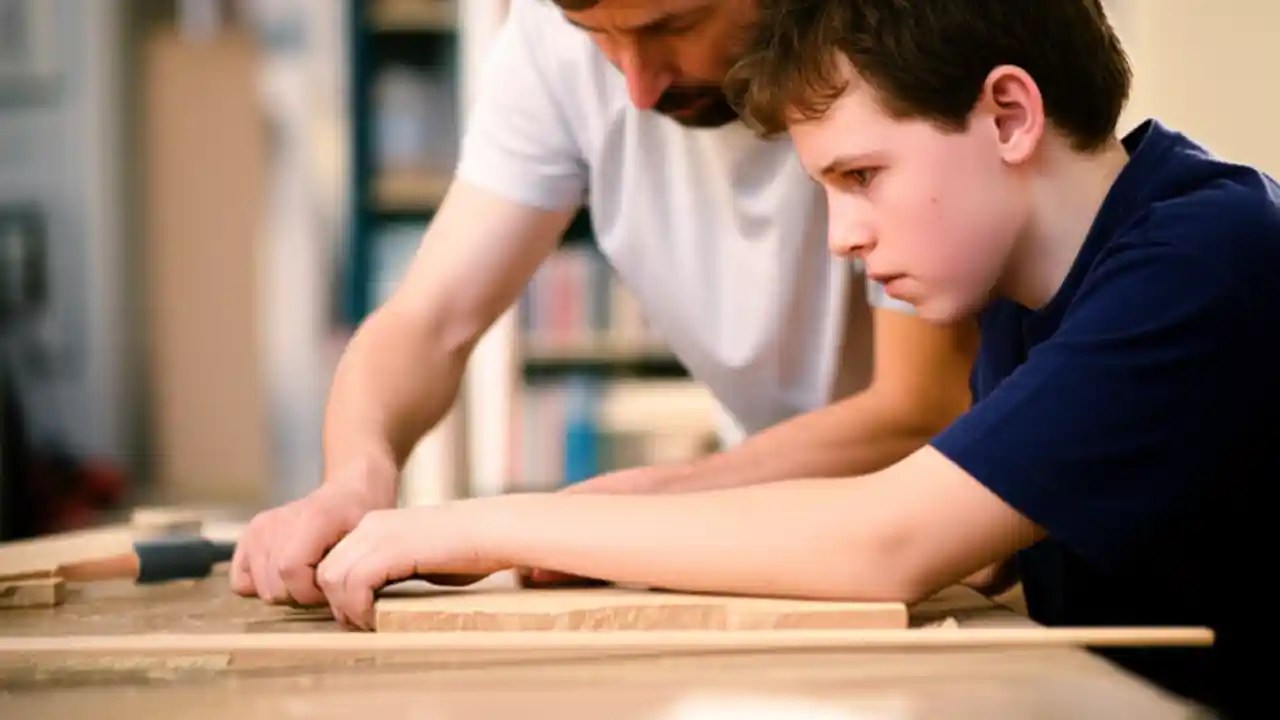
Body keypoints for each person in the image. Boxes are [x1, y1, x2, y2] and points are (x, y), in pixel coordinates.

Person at [305, 0, 1278, 712]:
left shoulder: (1203, 258)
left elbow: (883, 541)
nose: (840, 238)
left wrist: (493, 527)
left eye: (861, 175)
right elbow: (973, 546)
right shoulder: (1025, 299)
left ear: (1009, 115)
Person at [231, 1, 979, 607]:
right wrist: (355, 475)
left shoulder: (887, 34)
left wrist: (599, 517)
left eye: (672, 27)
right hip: (768, 517)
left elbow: (922, 405)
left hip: (949, 520)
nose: (637, 87)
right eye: (598, 37)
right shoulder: (552, 45)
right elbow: (426, 320)